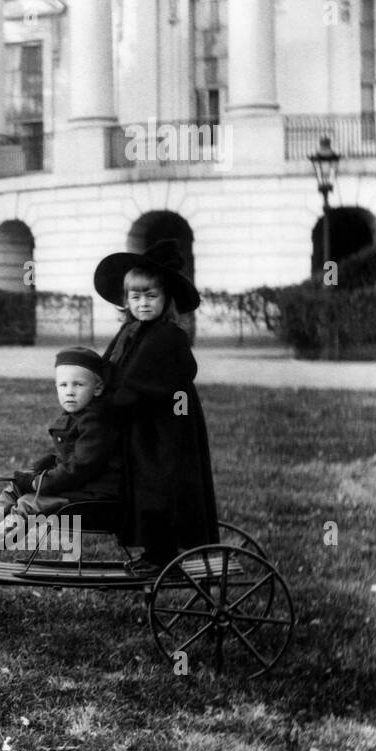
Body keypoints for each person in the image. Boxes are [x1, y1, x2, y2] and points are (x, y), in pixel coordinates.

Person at [0, 346, 123, 568]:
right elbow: (73, 456)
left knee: (28, 503)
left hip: (95, 498)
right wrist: (46, 464)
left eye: (78, 384)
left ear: (98, 388)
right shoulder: (79, 415)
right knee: (16, 488)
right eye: (63, 385)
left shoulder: (97, 423)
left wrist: (36, 482)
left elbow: (80, 467)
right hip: (77, 489)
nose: (70, 391)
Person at [93, 238, 219, 576]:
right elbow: (111, 367)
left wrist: (110, 405)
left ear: (166, 299)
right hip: (145, 424)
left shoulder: (166, 336)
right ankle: (153, 551)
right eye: (135, 297)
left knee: (158, 487)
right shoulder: (132, 331)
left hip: (166, 427)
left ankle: (163, 557)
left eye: (151, 296)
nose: (143, 303)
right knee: (142, 485)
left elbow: (139, 383)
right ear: (126, 300)